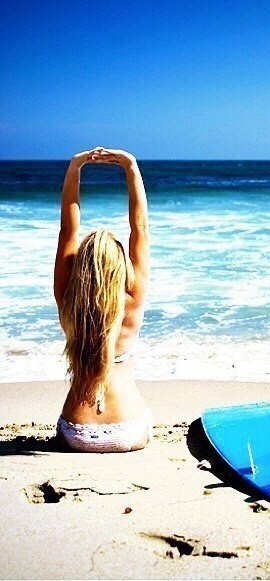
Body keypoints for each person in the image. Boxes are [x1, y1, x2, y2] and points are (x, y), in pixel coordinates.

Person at [54, 146, 152, 452]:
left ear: (81, 266)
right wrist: (130, 166)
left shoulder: (68, 298)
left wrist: (75, 168)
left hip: (75, 431)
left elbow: (67, 230)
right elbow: (140, 227)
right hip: (127, 429)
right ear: (120, 267)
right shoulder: (132, 297)